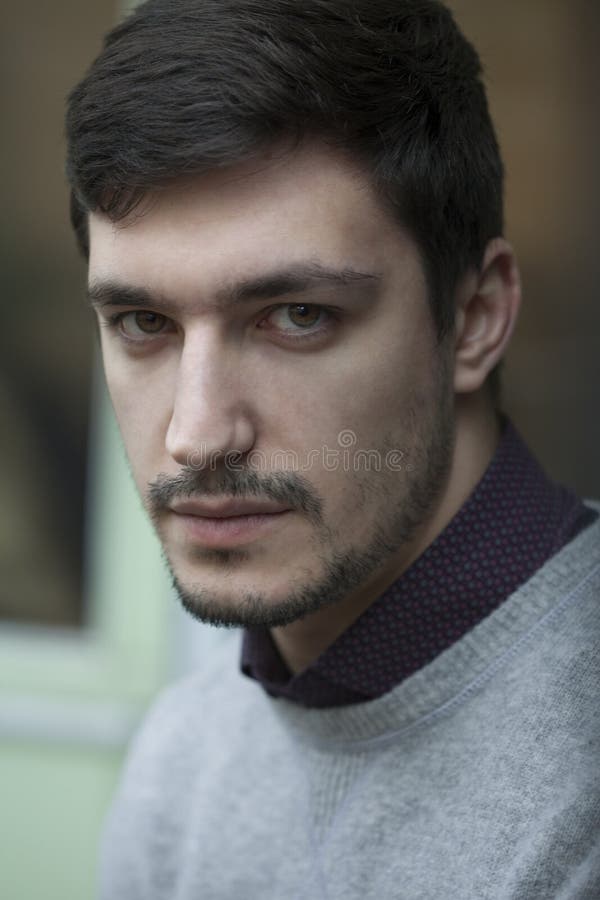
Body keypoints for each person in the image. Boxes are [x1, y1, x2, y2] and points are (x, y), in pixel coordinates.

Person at [65, 1, 600, 897]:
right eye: (144, 322)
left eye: (297, 317)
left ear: (473, 319)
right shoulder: (184, 750)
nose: (197, 435)